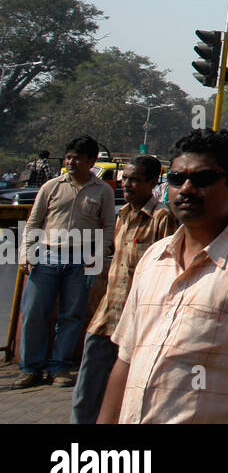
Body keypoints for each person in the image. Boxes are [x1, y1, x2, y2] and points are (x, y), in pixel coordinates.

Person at [98, 129, 228, 423]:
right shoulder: (153, 260)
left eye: (203, 179)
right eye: (177, 178)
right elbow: (126, 359)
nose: (186, 189)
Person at [71, 156, 177, 422]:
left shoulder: (162, 219)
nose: (127, 184)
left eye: (134, 180)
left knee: (131, 390)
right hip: (108, 316)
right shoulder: (124, 214)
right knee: (88, 387)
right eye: (125, 178)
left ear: (152, 182)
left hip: (140, 321)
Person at [15, 136, 116, 389]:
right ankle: (30, 368)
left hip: (82, 260)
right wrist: (26, 253)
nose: (71, 162)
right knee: (34, 313)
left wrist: (98, 257)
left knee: (71, 316)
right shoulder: (51, 186)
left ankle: (59, 367)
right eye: (69, 157)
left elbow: (107, 227)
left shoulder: (102, 190)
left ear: (91, 161)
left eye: (78, 158)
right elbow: (34, 221)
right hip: (47, 256)